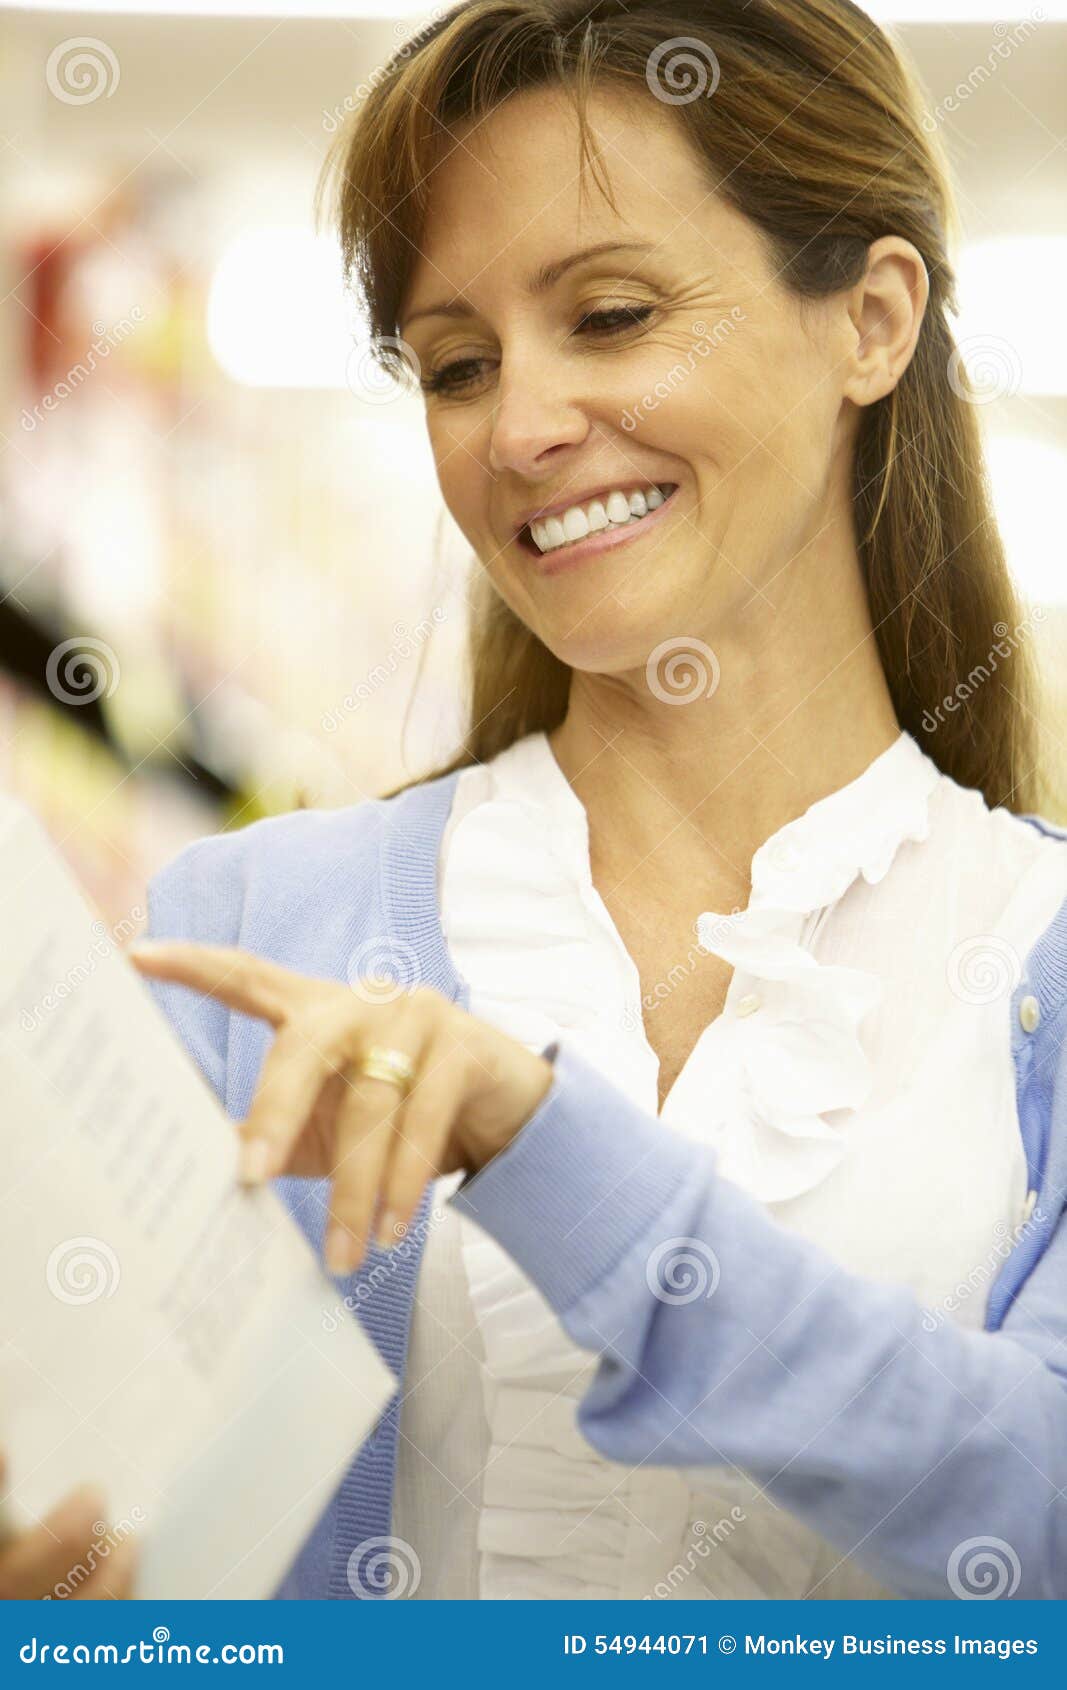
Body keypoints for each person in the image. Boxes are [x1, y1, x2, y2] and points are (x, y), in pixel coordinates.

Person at [4, 0, 1065, 1602]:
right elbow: (141, 1550)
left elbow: (1036, 1503)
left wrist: (543, 1142)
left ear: (871, 318)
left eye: (617, 313)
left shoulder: (1036, 948)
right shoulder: (249, 931)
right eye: (458, 364)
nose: (519, 427)